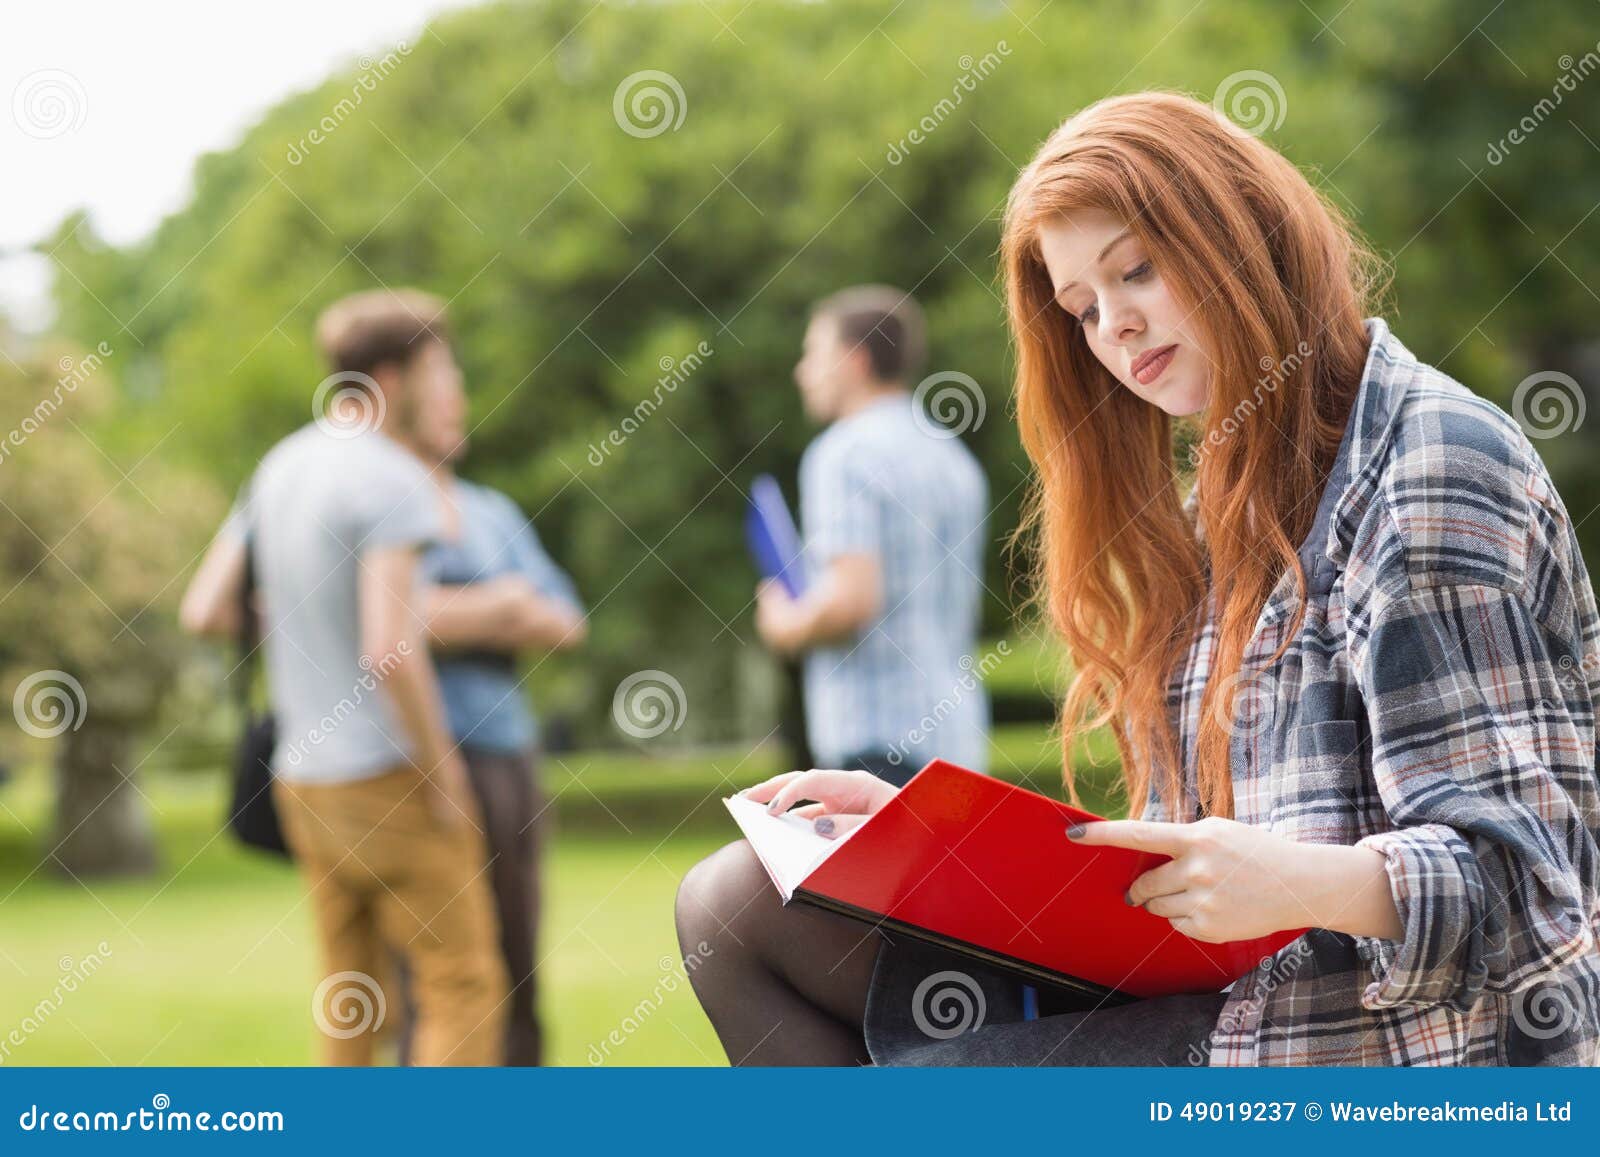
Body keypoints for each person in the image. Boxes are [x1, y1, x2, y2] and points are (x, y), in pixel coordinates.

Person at [675, 92, 1600, 1067]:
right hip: (1203, 998)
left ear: (1239, 231)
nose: (1113, 325)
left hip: (1366, 1046)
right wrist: (921, 845)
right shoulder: (1218, 508)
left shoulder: (1429, 472)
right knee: (733, 908)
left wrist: (1303, 879)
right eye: (1082, 307)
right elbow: (1182, 874)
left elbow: (1533, 894)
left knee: (924, 1080)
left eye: (1137, 270)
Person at [180, 288, 507, 1066]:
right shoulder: (391, 477)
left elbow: (205, 608)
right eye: (439, 366)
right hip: (385, 773)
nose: (448, 382)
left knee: (349, 993)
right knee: (461, 983)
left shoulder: (282, 464)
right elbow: (390, 648)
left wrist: (298, 620)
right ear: (394, 377)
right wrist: (443, 771)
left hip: (303, 778)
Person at [384, 328, 587, 1067]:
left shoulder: (492, 509)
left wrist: (454, 612)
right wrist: (494, 608)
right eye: (440, 390)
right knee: (437, 972)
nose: (455, 406)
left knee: (517, 955)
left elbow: (566, 618)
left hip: (509, 758)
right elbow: (378, 624)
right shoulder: (378, 505)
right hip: (420, 756)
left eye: (458, 391)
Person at [754, 286, 990, 787]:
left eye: (814, 354)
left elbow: (850, 601)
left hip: (878, 744)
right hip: (956, 740)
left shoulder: (843, 453)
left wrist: (783, 622)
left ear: (854, 360)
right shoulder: (953, 458)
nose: (802, 371)